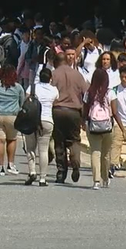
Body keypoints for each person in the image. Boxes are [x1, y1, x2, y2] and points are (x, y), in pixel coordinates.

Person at [51, 49, 90, 183]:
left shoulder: (54, 74)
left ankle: (61, 172)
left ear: (56, 62)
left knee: (59, 142)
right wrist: (84, 116)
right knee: (74, 140)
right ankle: (76, 163)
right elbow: (86, 94)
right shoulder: (78, 75)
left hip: (58, 110)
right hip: (74, 111)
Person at [24, 66, 58, 186]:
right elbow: (55, 101)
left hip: (32, 120)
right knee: (43, 150)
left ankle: (32, 171)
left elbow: (26, 100)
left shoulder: (32, 87)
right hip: (47, 120)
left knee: (30, 148)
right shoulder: (54, 90)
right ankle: (43, 178)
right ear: (50, 78)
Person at [0, 64, 25, 176]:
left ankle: (0, 168)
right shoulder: (18, 87)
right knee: (12, 140)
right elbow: (22, 102)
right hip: (13, 117)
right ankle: (11, 164)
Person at [83, 68, 113, 190]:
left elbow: (85, 110)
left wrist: (83, 123)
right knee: (106, 154)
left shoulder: (89, 92)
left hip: (93, 126)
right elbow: (115, 112)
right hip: (107, 126)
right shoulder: (110, 93)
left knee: (95, 152)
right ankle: (105, 178)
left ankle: (96, 180)